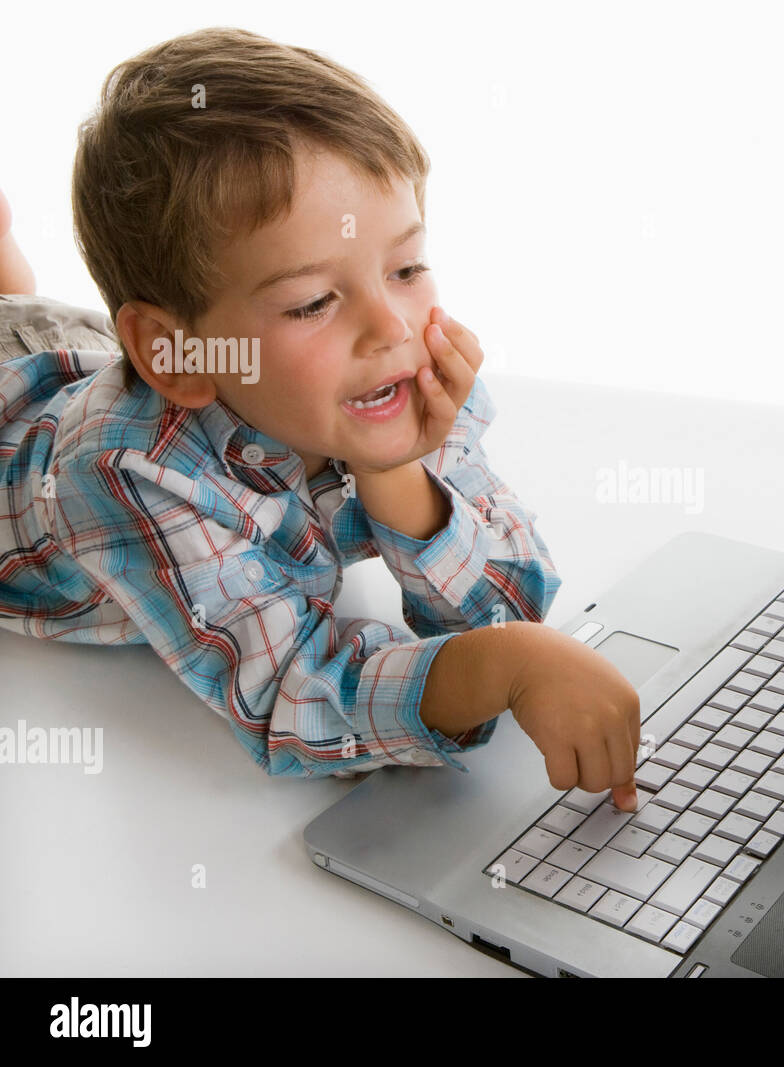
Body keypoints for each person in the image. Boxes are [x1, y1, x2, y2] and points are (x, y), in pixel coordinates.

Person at [0, 28, 640, 810]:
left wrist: (394, 465)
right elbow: (300, 698)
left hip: (80, 353)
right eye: (311, 302)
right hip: (26, 440)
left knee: (30, 316)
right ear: (179, 356)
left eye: (405, 268)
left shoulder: (389, 370)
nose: (391, 327)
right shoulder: (131, 472)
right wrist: (502, 666)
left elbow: (505, 610)